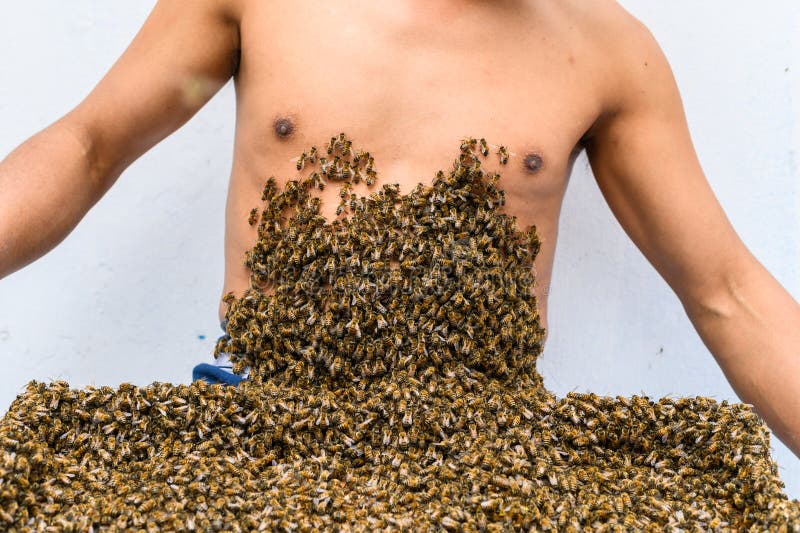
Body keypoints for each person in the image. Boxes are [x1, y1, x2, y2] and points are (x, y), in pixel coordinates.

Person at [0, 0, 798, 457]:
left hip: (488, 457)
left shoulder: (609, 50)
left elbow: (728, 292)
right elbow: (88, 147)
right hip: (256, 428)